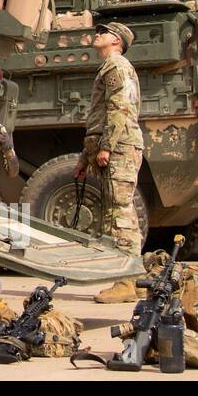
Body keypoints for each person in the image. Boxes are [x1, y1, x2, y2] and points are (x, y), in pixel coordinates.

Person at [77, 21, 146, 303]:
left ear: (116, 41)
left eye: (103, 32)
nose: (97, 35)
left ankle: (125, 281)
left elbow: (120, 109)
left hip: (120, 147)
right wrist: (86, 157)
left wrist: (107, 146)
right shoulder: (110, 67)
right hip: (115, 147)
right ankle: (134, 277)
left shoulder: (118, 66)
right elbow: (100, 117)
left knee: (119, 213)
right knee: (120, 211)